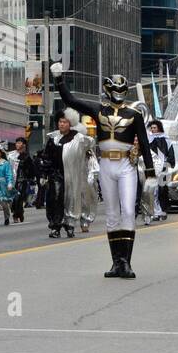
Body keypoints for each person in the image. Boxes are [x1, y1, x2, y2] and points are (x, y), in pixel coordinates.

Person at [51, 65, 155, 279]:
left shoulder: (134, 114)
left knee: (127, 210)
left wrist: (151, 172)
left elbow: (144, 143)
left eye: (121, 88)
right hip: (106, 164)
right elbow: (71, 101)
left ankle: (126, 262)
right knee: (111, 214)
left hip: (127, 164)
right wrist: (59, 78)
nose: (118, 92)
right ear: (108, 90)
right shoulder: (99, 110)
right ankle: (116, 262)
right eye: (115, 88)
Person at [38, 111, 76, 239]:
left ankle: (70, 225)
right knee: (55, 200)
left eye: (64, 122)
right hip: (56, 174)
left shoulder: (77, 138)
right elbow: (46, 157)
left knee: (71, 201)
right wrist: (43, 174)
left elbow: (87, 153)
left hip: (72, 174)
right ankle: (55, 227)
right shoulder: (53, 139)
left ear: (70, 123)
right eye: (60, 121)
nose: (62, 124)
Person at [10, 138, 36, 224]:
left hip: (22, 180)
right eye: (16, 142)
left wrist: (30, 177)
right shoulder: (11, 155)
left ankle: (16, 215)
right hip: (12, 179)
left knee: (19, 198)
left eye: (19, 143)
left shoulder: (27, 156)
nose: (17, 144)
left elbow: (32, 169)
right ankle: (19, 212)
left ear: (24, 145)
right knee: (14, 199)